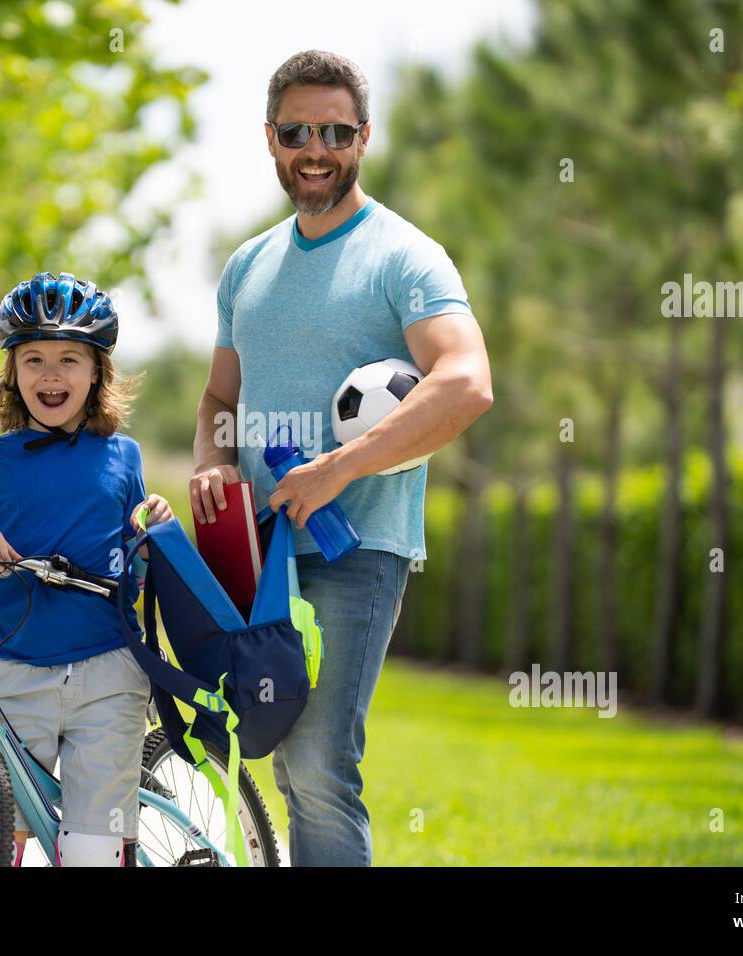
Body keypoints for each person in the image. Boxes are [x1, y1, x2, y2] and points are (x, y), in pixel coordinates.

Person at [191, 51, 494, 866]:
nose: (315, 148)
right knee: (279, 759)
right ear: (271, 138)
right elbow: (220, 402)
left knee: (321, 766)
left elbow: (466, 383)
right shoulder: (248, 266)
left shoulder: (406, 256)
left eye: (334, 131)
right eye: (297, 131)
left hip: (356, 551)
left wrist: (339, 468)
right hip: (258, 553)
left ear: (364, 135)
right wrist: (213, 465)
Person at [0, 272, 174, 866]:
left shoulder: (124, 455)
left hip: (109, 673)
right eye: (34, 359)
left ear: (97, 373)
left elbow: (134, 574)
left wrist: (151, 531)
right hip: (16, 674)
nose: (52, 375)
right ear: (12, 373)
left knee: (93, 849)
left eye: (70, 359)